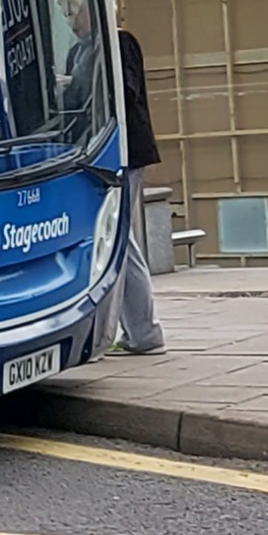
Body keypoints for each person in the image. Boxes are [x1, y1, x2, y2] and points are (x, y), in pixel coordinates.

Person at [113, 25, 166, 355]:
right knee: (118, 241)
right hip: (112, 154)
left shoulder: (119, 42)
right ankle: (137, 330)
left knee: (119, 241)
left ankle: (144, 332)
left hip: (126, 152)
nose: (71, 23)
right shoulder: (86, 47)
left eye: (72, 13)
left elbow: (126, 93)